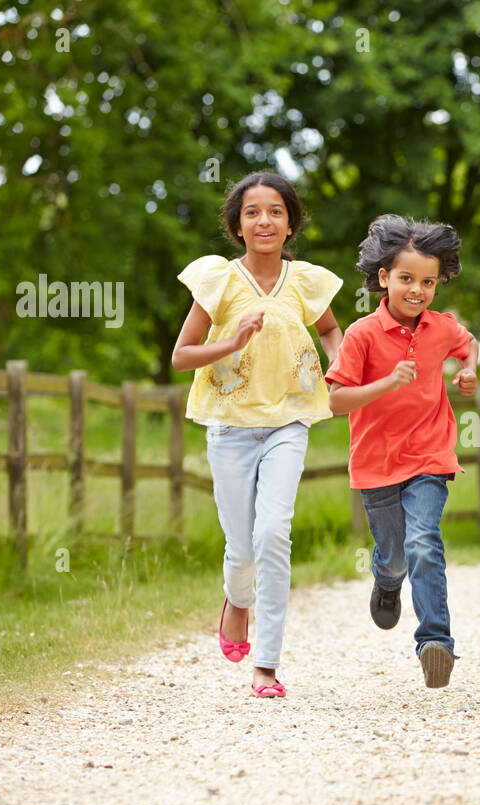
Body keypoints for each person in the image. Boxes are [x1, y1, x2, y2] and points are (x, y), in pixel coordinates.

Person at [171, 170, 344, 698]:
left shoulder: (308, 281)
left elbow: (332, 330)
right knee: (242, 549)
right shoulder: (219, 281)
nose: (264, 220)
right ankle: (236, 600)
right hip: (229, 428)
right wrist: (232, 341)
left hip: (288, 424)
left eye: (275, 211)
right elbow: (181, 357)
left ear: (291, 224)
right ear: (237, 226)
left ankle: (266, 664)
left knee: (273, 534)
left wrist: (339, 367)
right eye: (252, 212)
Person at [325, 214, 477, 689]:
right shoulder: (362, 335)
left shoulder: (441, 327)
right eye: (407, 278)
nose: (418, 290)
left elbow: (468, 344)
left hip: (431, 457)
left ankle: (436, 643)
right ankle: (387, 583)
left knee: (423, 543)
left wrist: (468, 371)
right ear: (384, 278)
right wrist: (386, 383)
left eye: (428, 281)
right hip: (376, 464)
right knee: (394, 556)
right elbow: (335, 401)